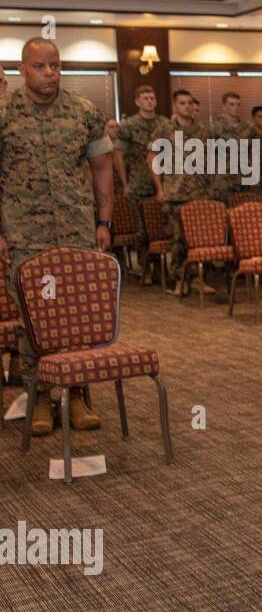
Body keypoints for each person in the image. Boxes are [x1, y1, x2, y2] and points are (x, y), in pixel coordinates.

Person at [0, 38, 114, 435]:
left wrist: (104, 222)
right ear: (21, 70)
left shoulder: (84, 112)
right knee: (35, 320)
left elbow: (101, 167)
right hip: (25, 236)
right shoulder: (4, 113)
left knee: (77, 315)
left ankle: (77, 395)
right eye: (41, 67)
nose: (51, 73)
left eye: (56, 66)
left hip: (76, 232)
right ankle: (41, 398)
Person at [154, 88, 214, 295]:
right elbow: (152, 158)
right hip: (175, 193)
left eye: (190, 103)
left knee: (199, 238)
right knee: (178, 240)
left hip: (198, 193)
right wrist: (159, 188)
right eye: (182, 103)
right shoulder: (164, 129)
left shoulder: (202, 131)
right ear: (175, 106)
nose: (187, 107)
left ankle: (197, 278)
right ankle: (179, 280)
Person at [114, 86, 165, 280]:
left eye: (152, 98)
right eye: (145, 98)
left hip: (163, 182)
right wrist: (125, 183)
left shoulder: (164, 123)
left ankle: (161, 268)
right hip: (138, 182)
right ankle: (146, 268)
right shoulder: (128, 125)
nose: (149, 101)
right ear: (137, 102)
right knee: (142, 229)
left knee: (162, 226)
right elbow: (118, 155)